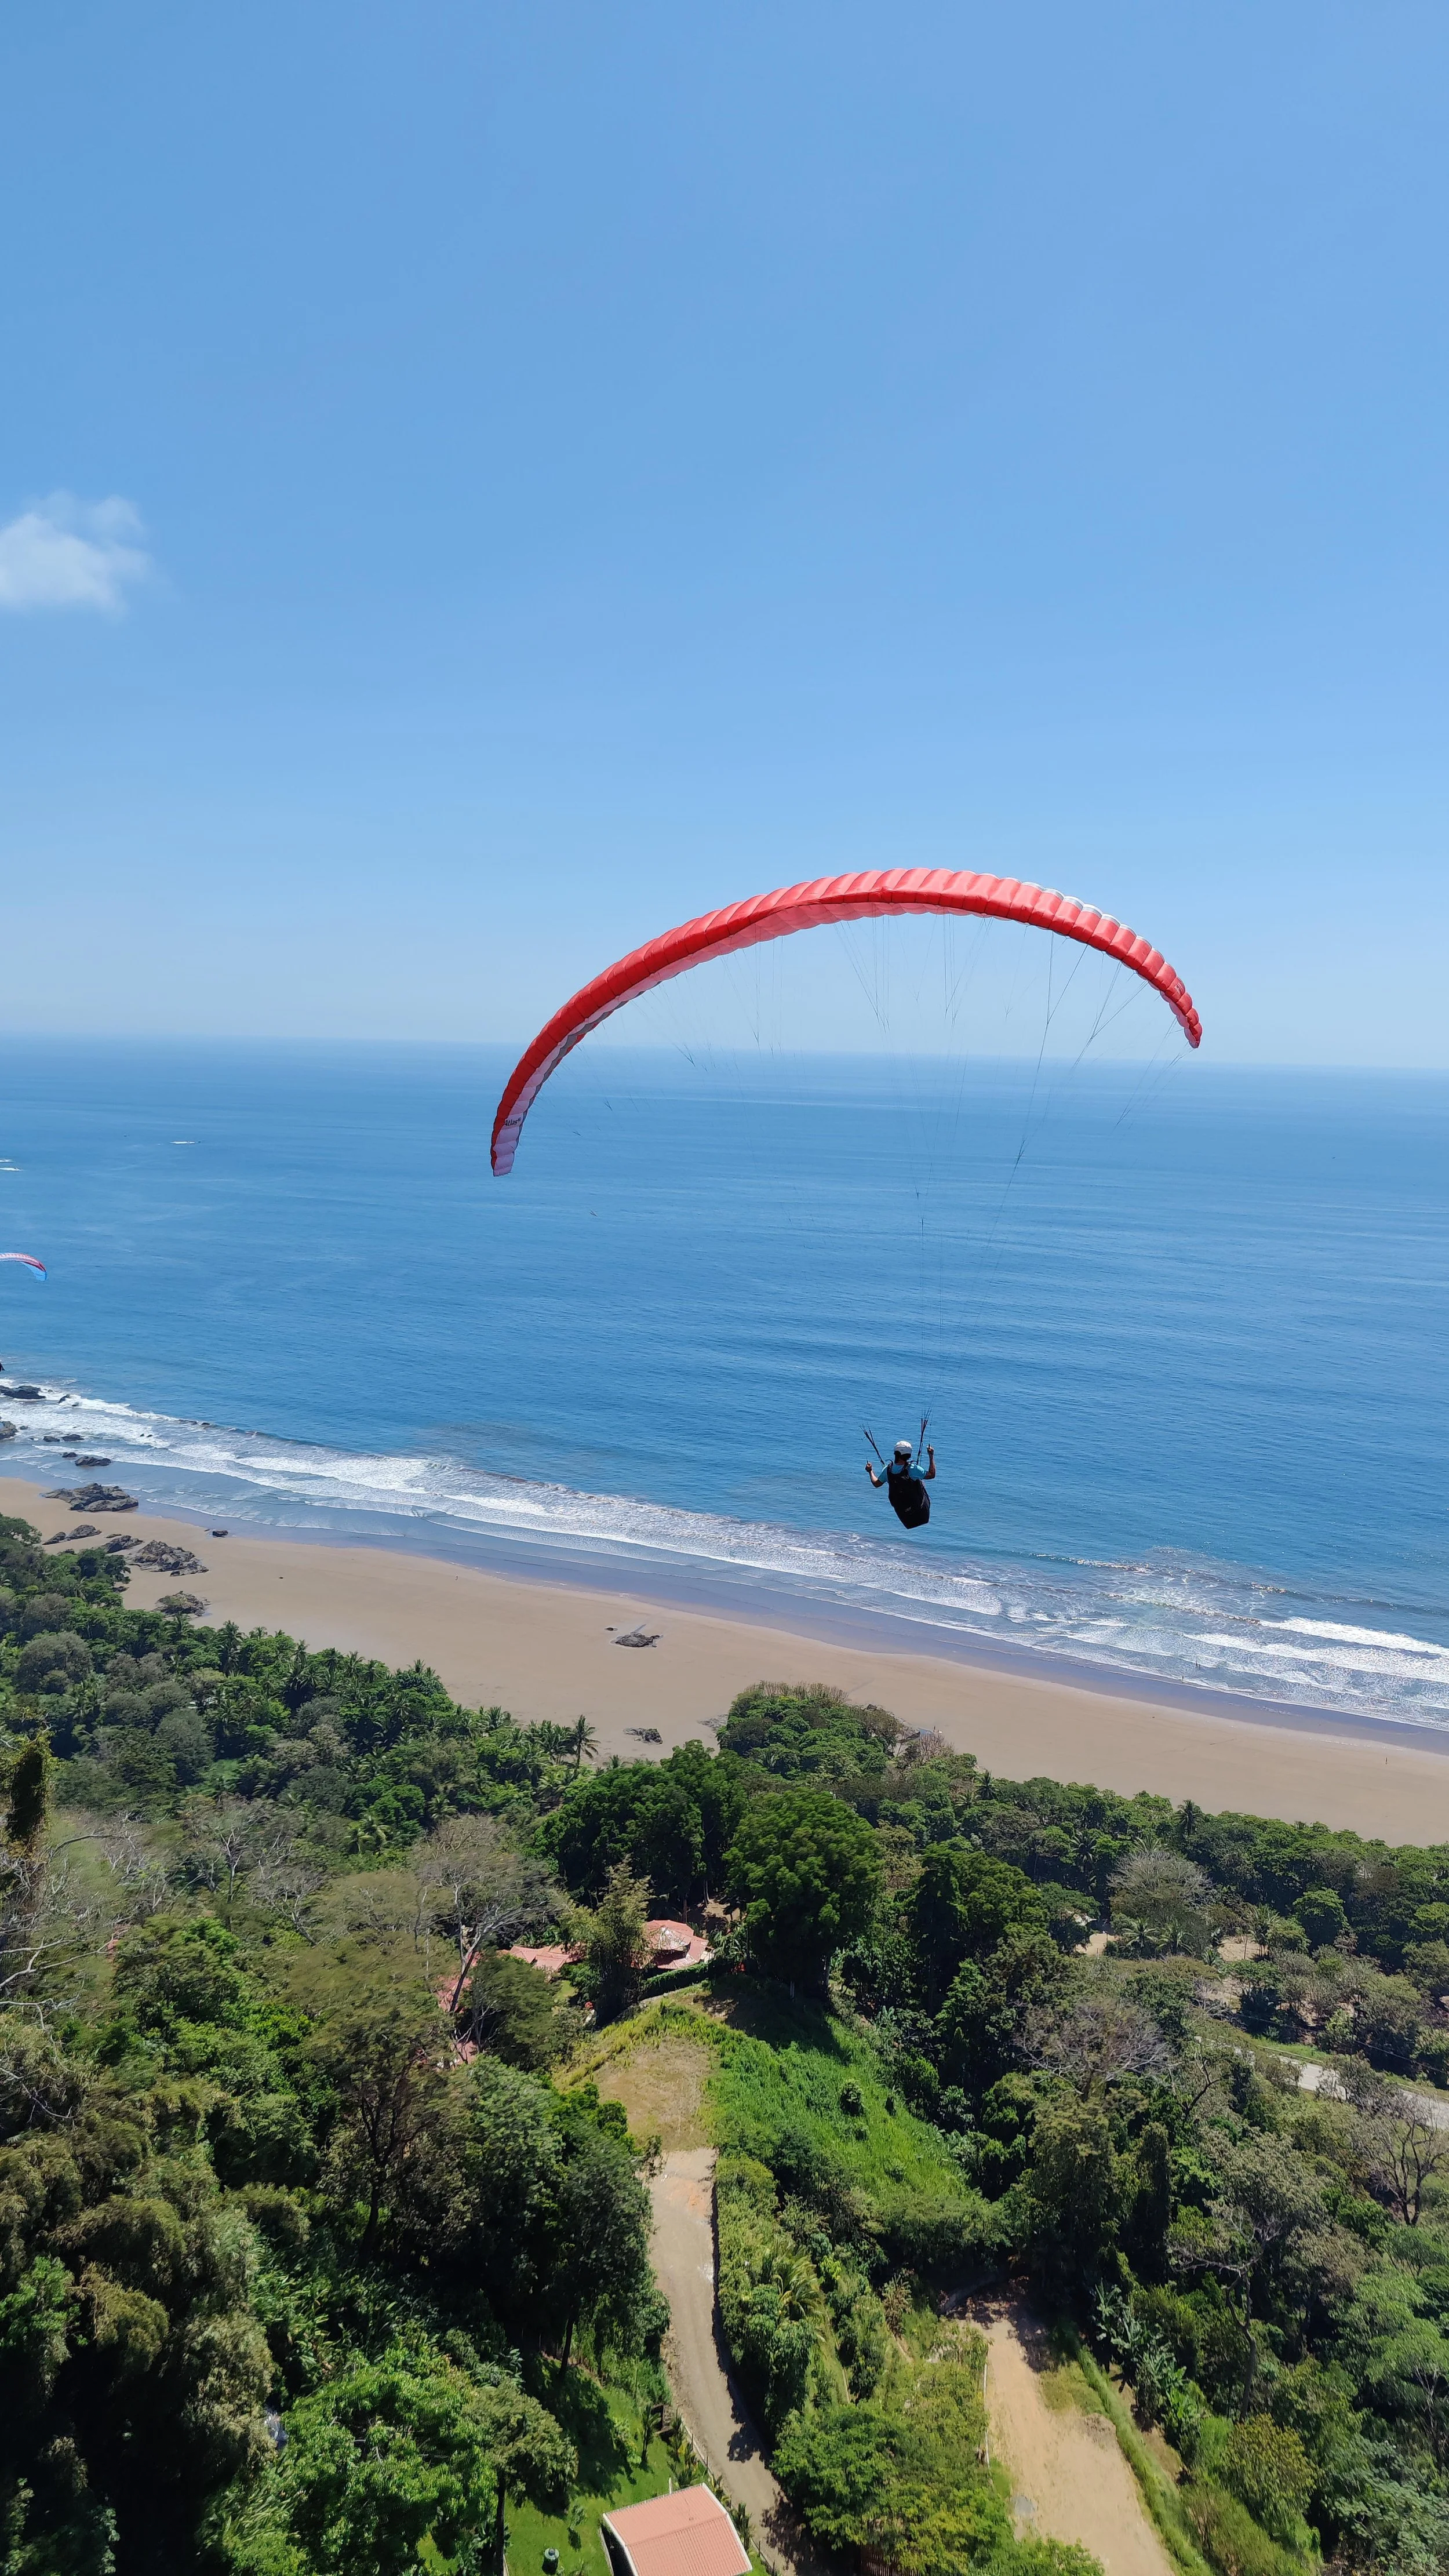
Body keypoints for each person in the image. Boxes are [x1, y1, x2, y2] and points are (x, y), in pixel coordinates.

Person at [867, 1436, 935, 1530]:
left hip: (904, 1515)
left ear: (896, 1454)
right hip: (920, 1512)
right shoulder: (913, 1469)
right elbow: (932, 1475)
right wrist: (931, 1456)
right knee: (920, 1482)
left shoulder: (888, 1470)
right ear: (909, 1456)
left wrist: (870, 1471)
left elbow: (876, 1484)